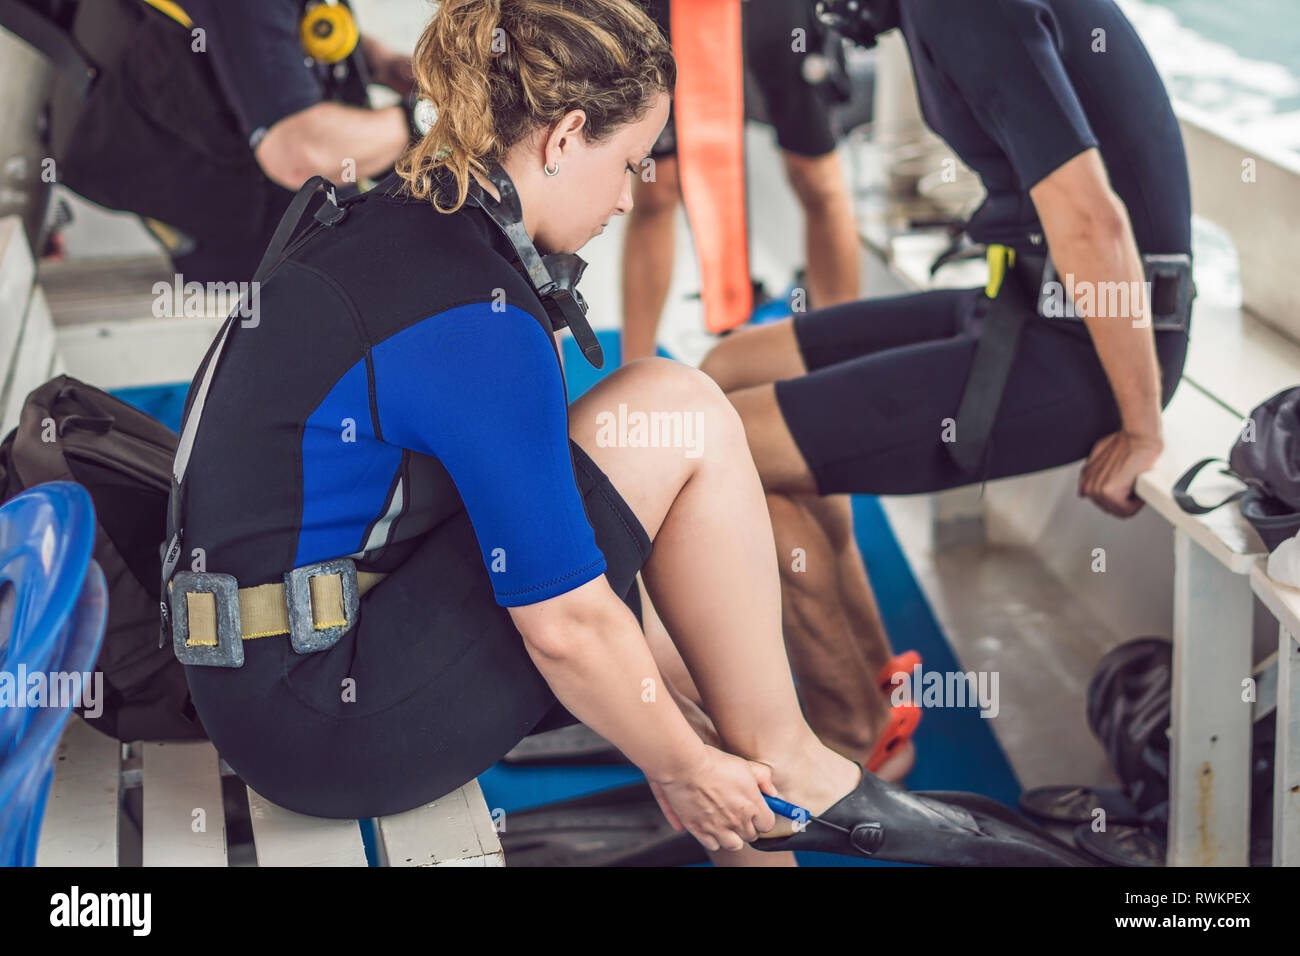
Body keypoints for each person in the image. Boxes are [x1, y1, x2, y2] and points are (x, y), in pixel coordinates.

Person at [164, 0, 883, 868]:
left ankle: (769, 789)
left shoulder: (403, 218)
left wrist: (673, 728)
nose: (626, 197)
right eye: (627, 164)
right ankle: (790, 772)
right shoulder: (476, 310)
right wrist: (683, 765)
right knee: (676, 410)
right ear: (563, 135)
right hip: (320, 723)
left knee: (676, 630)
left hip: (263, 671)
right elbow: (567, 627)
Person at [698, 0, 1194, 762]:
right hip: (1025, 301)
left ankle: (854, 733)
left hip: (1094, 344)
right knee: (725, 374)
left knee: (727, 453)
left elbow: (1094, 221)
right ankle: (877, 683)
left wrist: (1140, 426)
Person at [38, 0, 420, 284]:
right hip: (265, 259)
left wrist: (383, 65)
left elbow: (276, 36)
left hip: (284, 224)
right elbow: (298, 155)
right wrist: (421, 119)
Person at [620, 0, 861, 362]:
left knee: (817, 177)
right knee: (658, 187)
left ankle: (842, 361)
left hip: (780, 14)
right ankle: (633, 370)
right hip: (671, 12)